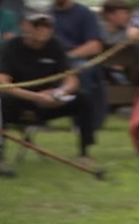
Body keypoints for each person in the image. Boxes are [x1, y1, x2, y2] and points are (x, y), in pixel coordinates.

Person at [0, 11, 99, 165]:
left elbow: (71, 79)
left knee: (83, 98)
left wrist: (59, 93)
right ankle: (1, 158)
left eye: (47, 25)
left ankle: (85, 153)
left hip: (49, 101)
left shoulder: (55, 45)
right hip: (19, 101)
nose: (42, 29)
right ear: (24, 26)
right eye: (36, 25)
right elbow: (4, 83)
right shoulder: (10, 47)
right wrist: (35, 97)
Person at [45, 0, 108, 131]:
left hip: (76, 58)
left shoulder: (85, 14)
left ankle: (81, 122)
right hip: (51, 60)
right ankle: (37, 118)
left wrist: (69, 56)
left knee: (82, 70)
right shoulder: (45, 16)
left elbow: (95, 45)